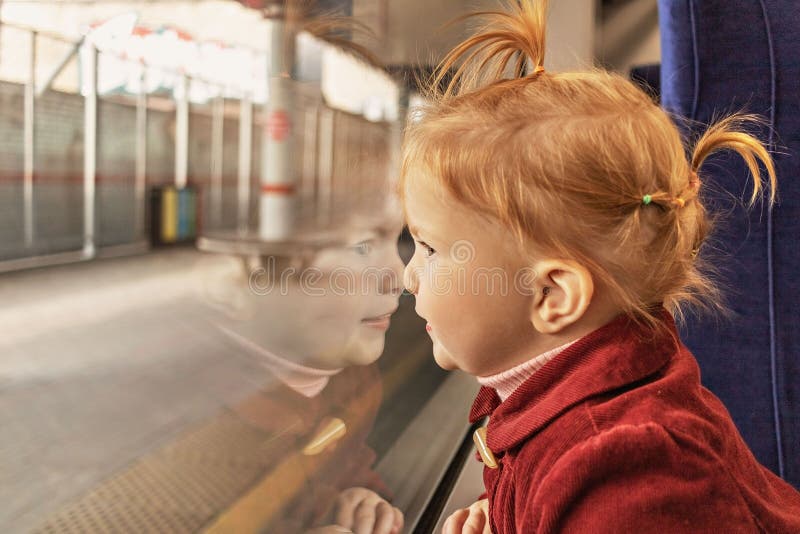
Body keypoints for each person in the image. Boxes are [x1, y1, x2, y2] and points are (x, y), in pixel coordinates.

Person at [399, 1, 800, 532]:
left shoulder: (627, 474)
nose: (408, 276)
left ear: (554, 296)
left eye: (429, 250)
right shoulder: (582, 405)